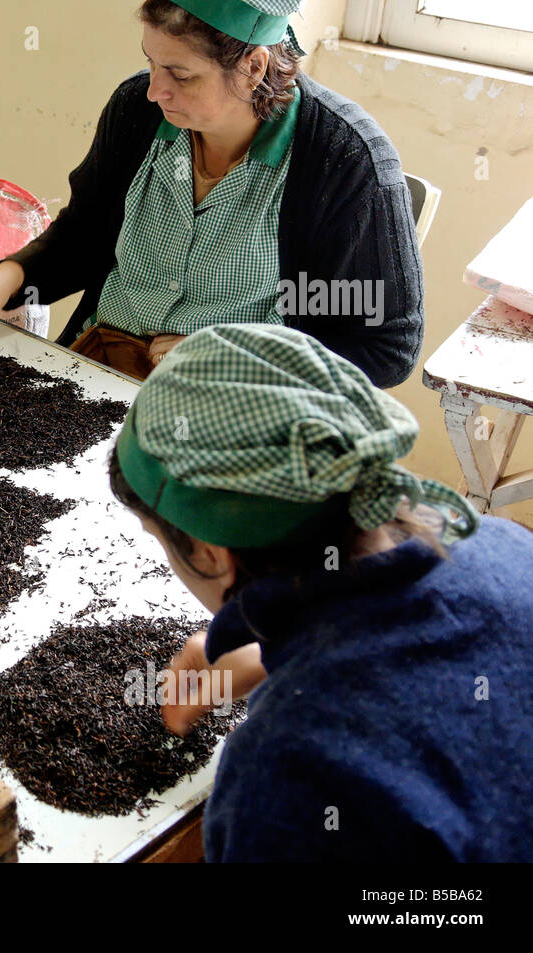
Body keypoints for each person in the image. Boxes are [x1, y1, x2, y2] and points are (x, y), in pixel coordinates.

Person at [109, 322, 533, 861]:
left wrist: (310, 672)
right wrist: (278, 654)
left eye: (160, 540)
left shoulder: (292, 772)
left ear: (207, 550)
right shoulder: (500, 543)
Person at [0, 0, 422, 387]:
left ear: (253, 66)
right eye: (152, 63)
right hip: (101, 365)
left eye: (181, 75)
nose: (154, 90)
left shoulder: (346, 162)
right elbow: (86, 233)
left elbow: (385, 348)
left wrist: (238, 361)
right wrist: (13, 275)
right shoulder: (137, 113)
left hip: (237, 404)